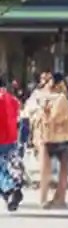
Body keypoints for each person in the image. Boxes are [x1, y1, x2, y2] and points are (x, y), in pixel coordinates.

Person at [26, 73, 68, 208]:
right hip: (62, 137)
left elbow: (27, 112)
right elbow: (67, 117)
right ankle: (59, 198)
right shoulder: (62, 98)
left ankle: (44, 198)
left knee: (46, 170)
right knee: (62, 170)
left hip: (46, 136)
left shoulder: (37, 96)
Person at [0, 80, 23, 211]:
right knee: (7, 164)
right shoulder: (12, 100)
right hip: (10, 137)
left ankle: (10, 189)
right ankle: (12, 189)